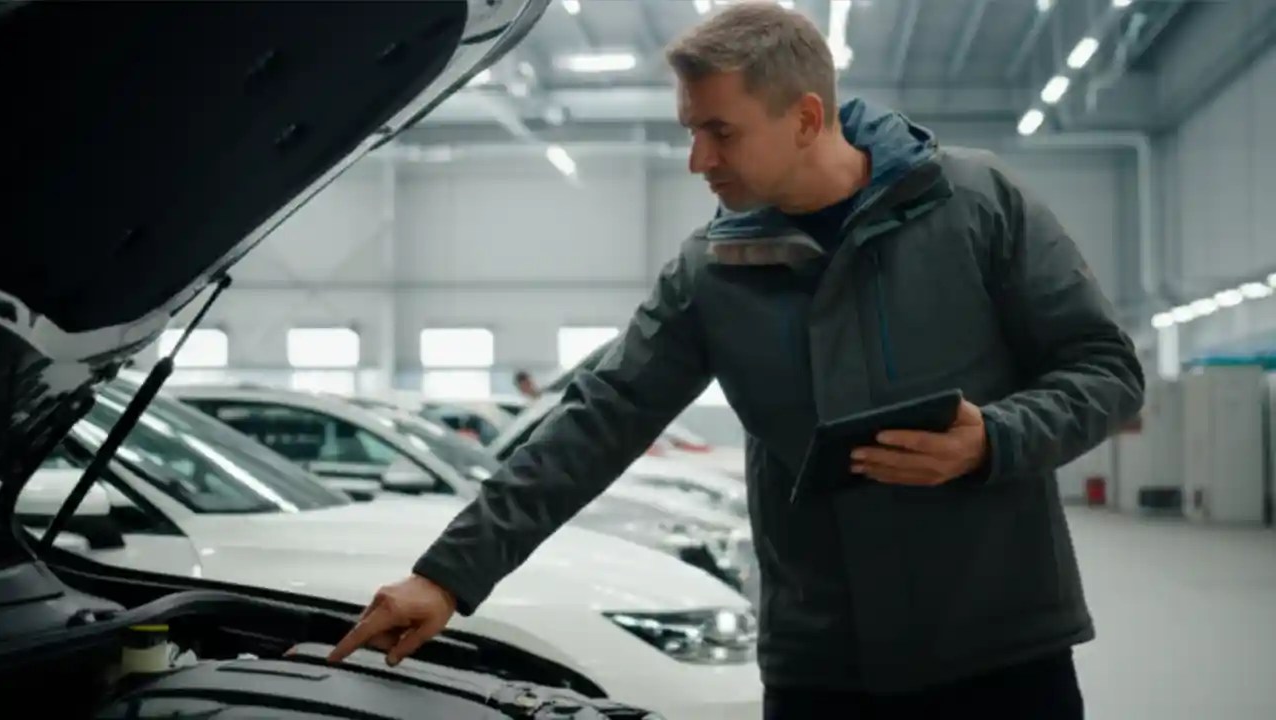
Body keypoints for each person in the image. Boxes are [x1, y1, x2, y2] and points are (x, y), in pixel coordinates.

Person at [326, 3, 1144, 718]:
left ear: (805, 117)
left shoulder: (976, 206)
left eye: (720, 131)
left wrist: (993, 439)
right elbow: (598, 419)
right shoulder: (711, 272)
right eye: (692, 131)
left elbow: (1106, 368)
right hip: (824, 666)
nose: (698, 160)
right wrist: (448, 575)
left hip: (997, 649)